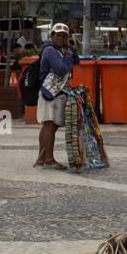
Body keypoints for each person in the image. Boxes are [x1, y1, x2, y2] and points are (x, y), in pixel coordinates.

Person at [35, 22, 78, 169]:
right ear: (52, 35)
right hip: (50, 93)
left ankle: (42, 158)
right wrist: (67, 56)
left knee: (50, 126)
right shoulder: (50, 50)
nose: (61, 38)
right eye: (58, 35)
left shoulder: (61, 49)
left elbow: (76, 60)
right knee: (49, 125)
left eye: (64, 36)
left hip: (56, 92)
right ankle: (48, 159)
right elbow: (61, 69)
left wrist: (69, 46)